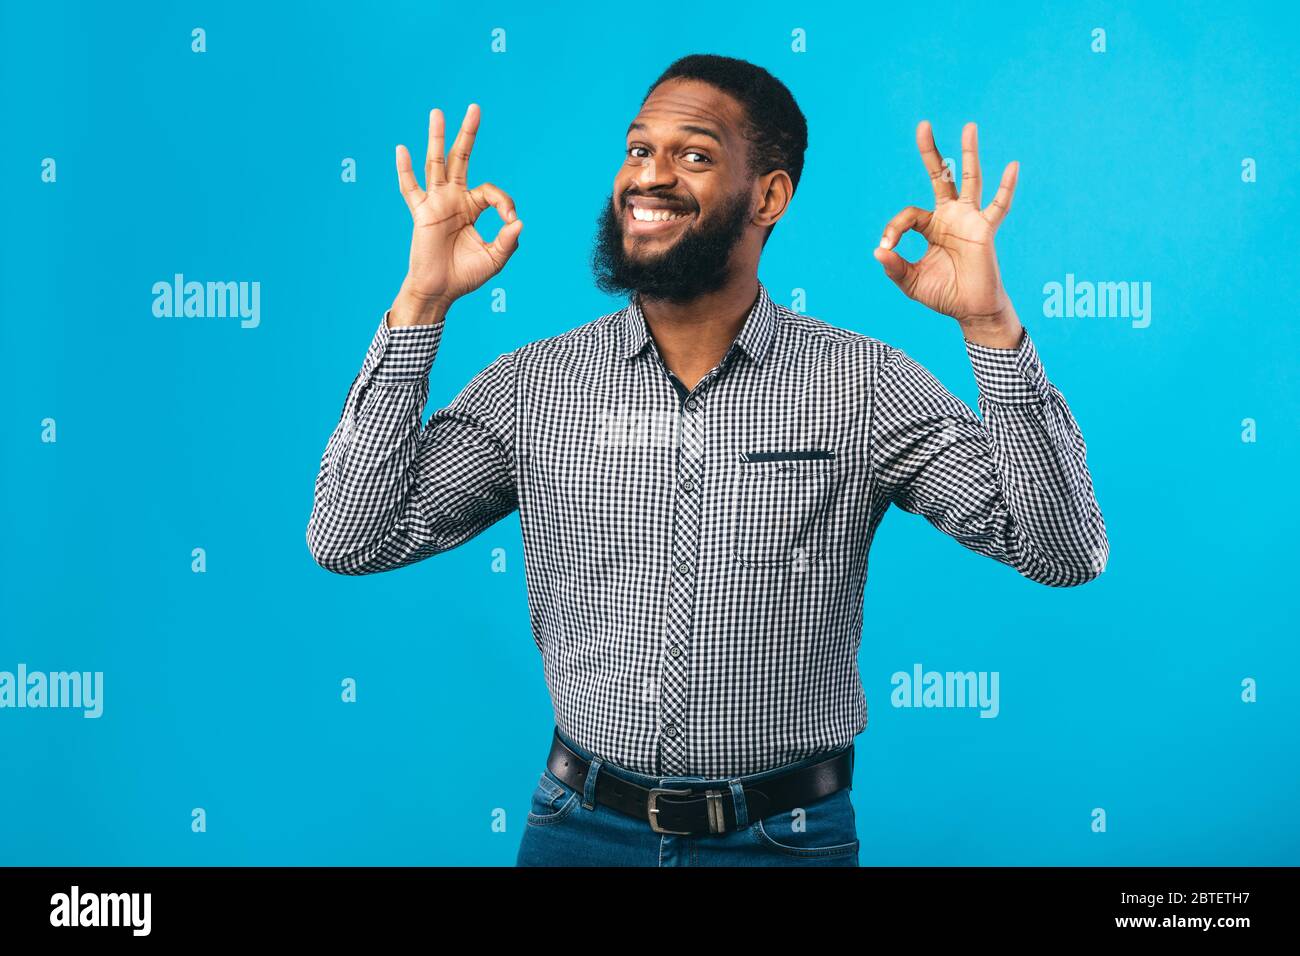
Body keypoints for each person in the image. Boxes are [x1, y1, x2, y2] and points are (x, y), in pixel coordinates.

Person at [305, 54, 1108, 867]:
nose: (648, 178)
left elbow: (1063, 552)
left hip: (784, 841)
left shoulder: (864, 386)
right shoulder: (533, 386)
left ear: (769, 195)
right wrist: (420, 305)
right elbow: (351, 539)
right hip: (577, 831)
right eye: (637, 150)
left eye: (692, 154)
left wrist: (991, 325)